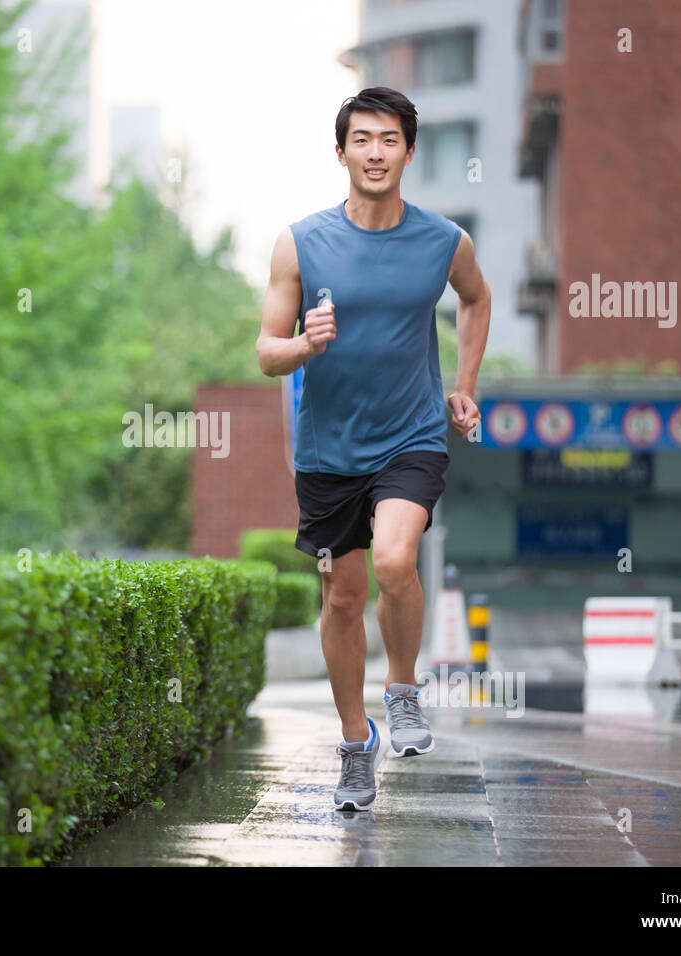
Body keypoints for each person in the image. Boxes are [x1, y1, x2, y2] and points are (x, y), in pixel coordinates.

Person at [255, 87, 490, 811]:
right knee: (342, 597)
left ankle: (403, 689)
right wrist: (304, 342)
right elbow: (266, 353)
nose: (376, 152)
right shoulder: (301, 241)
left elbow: (477, 299)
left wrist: (466, 383)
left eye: (389, 140)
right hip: (329, 451)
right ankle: (357, 743)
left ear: (409, 152)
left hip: (413, 435)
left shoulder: (444, 241)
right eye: (363, 140)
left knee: (395, 560)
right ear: (342, 152)